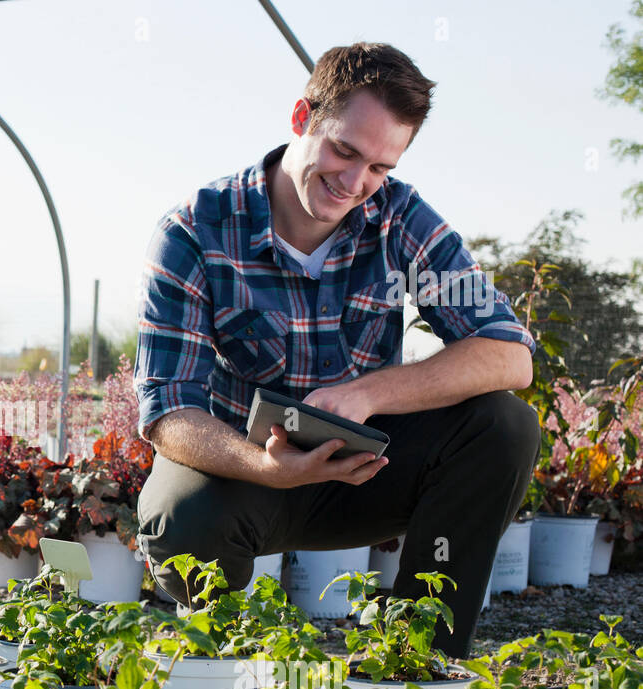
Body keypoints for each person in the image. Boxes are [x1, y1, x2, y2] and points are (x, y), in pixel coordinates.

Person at [133, 42, 540, 657]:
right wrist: (265, 467)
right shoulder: (195, 232)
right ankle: (230, 665)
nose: (355, 184)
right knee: (177, 515)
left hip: (364, 469)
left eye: (380, 167)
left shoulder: (400, 218)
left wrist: (368, 393)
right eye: (343, 151)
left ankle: (420, 656)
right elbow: (169, 414)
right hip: (246, 472)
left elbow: (510, 353)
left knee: (504, 424)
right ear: (302, 118)